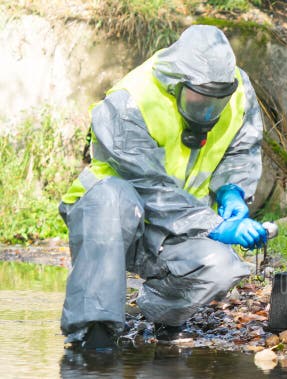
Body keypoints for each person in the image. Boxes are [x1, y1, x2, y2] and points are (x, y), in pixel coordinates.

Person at [60, 25, 268, 350]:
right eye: (199, 102)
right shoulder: (130, 102)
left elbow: (242, 148)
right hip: (113, 221)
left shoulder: (239, 90)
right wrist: (216, 225)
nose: (208, 112)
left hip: (177, 229)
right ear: (177, 85)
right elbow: (150, 187)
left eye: (217, 103)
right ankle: (93, 331)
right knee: (110, 199)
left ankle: (160, 316)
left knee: (223, 267)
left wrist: (232, 191)